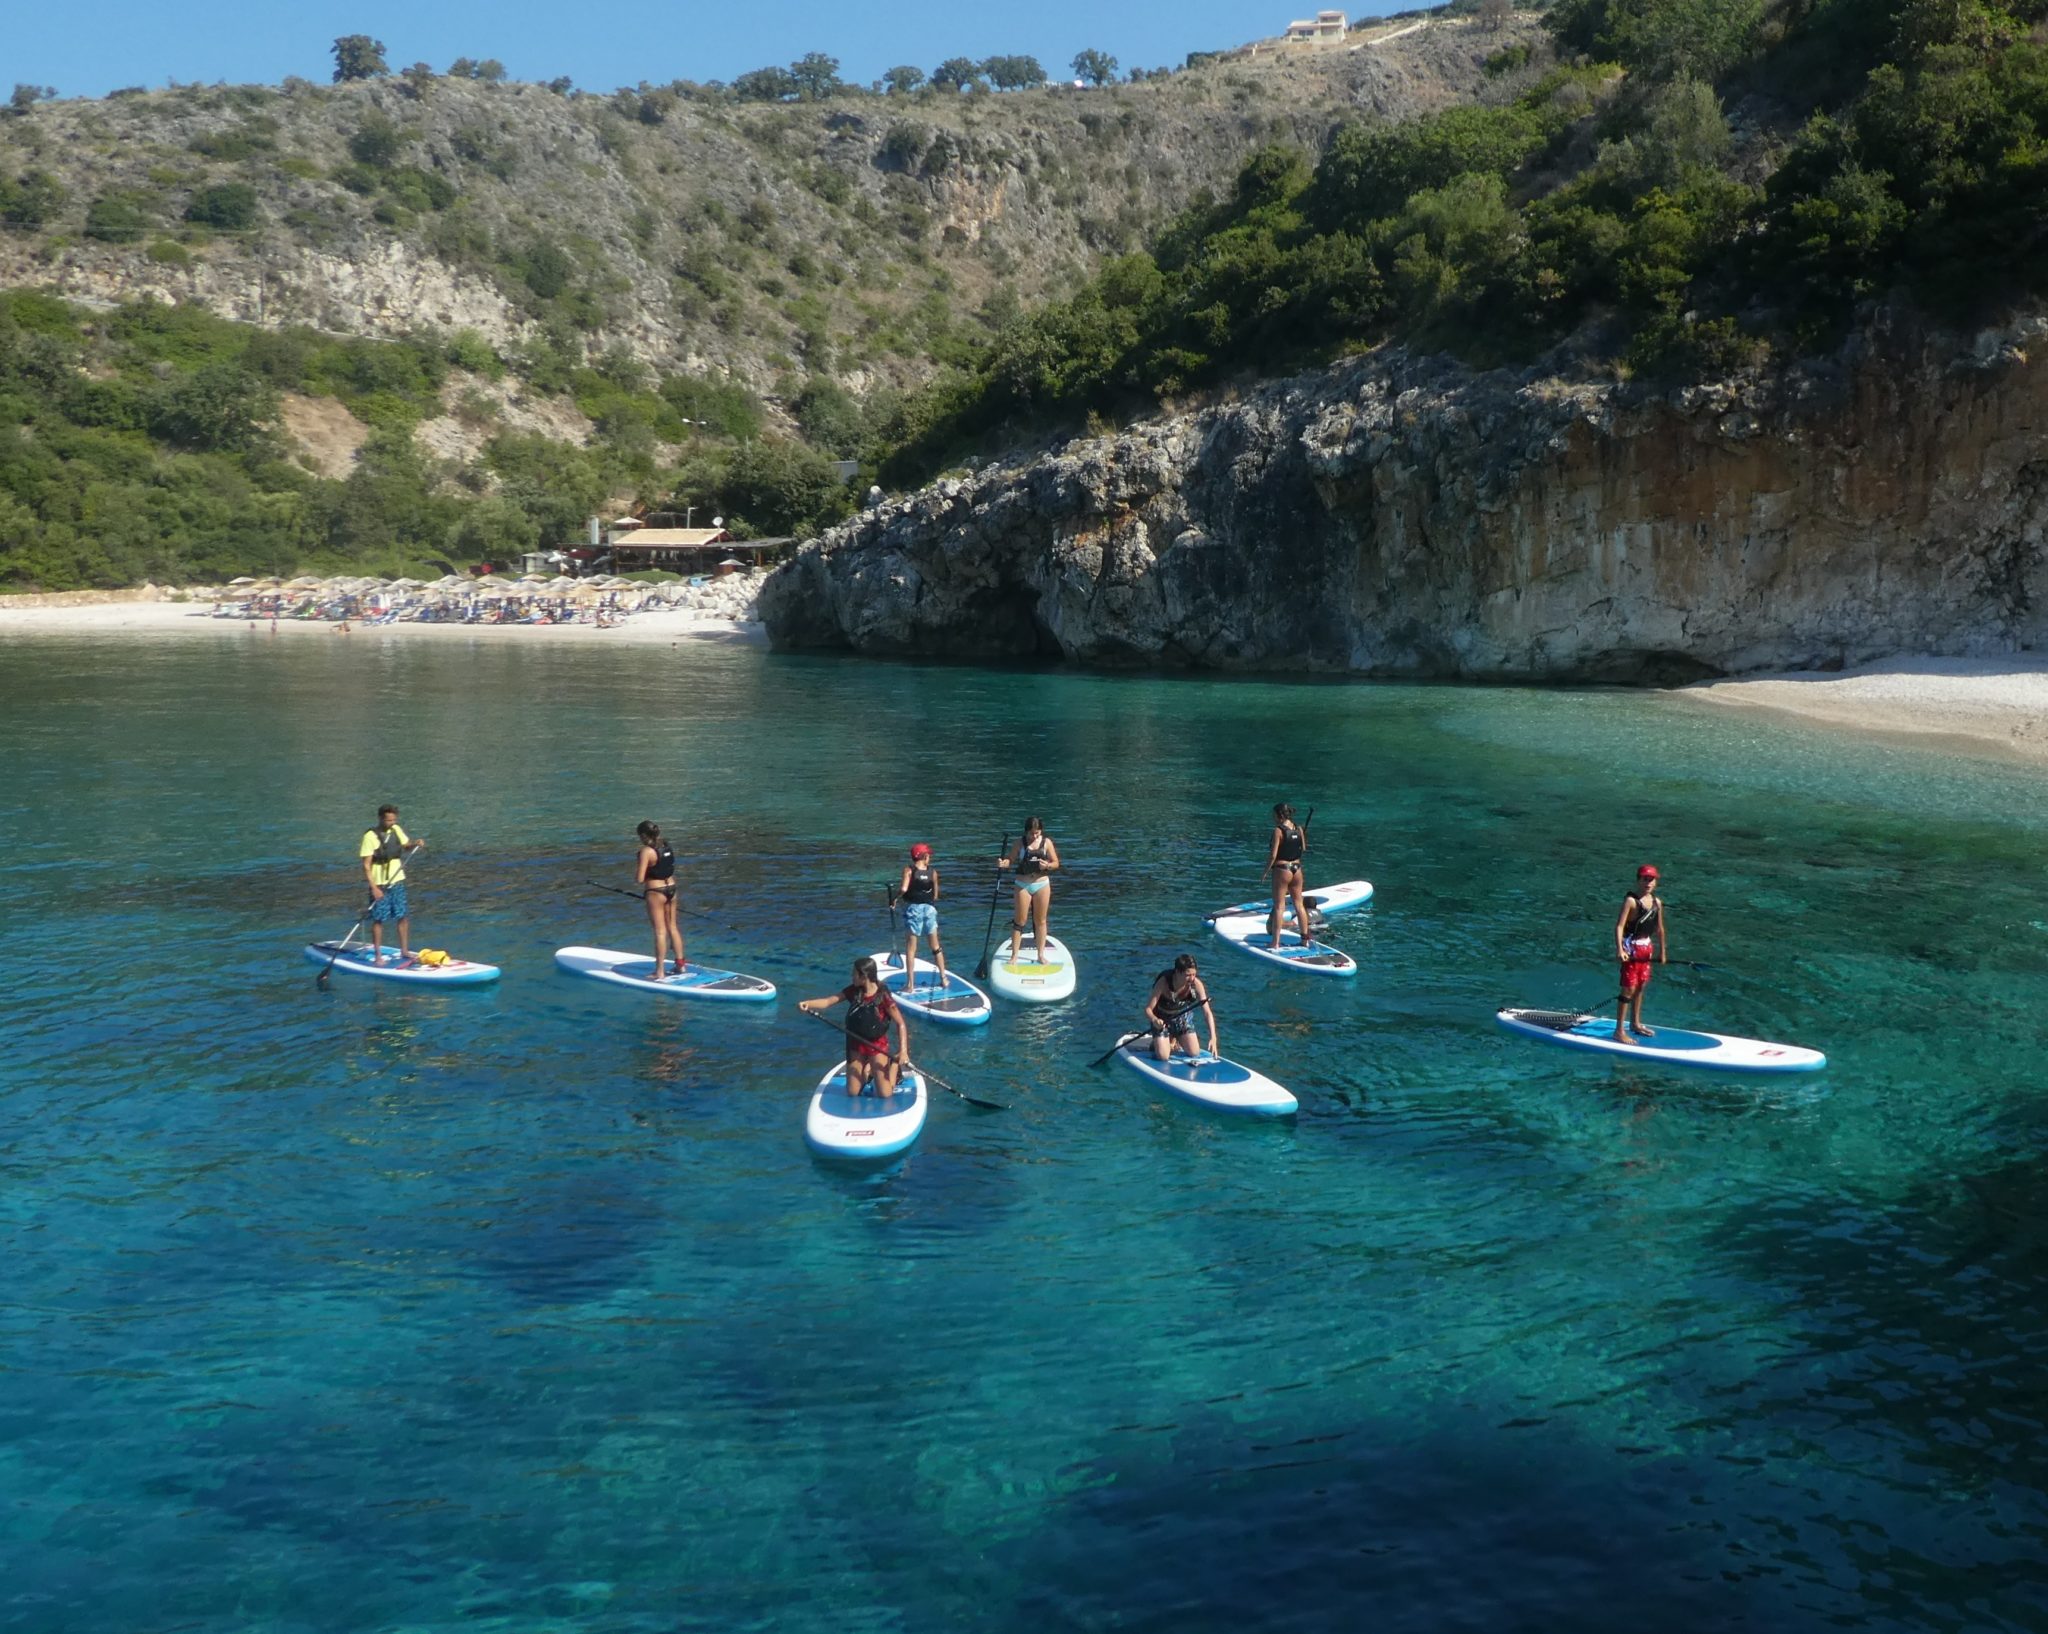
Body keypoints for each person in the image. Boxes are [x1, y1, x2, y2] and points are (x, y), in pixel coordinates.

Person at [800, 956, 910, 1097]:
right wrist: (807, 1003)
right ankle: (868, 1069)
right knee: (852, 1092)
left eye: (854, 974)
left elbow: (900, 1023)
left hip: (877, 1045)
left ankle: (893, 1063)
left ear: (864, 976)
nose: (852, 976)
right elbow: (828, 1001)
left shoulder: (883, 996)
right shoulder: (854, 991)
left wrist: (903, 1051)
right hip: (856, 1044)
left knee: (885, 1094)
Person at [358, 804, 425, 963]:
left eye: (394, 819)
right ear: (381, 818)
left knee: (402, 916)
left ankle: (404, 951)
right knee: (379, 918)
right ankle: (378, 956)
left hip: (397, 879)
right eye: (389, 820)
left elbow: (406, 846)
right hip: (379, 883)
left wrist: (415, 843)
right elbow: (366, 865)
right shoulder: (370, 836)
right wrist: (374, 888)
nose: (392, 823)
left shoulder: (396, 829)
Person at [1614, 863, 1669, 1042]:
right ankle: (1619, 1031)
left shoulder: (1657, 903)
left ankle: (1635, 1023)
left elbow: (1660, 929)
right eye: (1644, 879)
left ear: (1655, 882)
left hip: (1646, 948)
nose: (1648, 883)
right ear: (1638, 880)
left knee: (1641, 986)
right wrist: (1620, 949)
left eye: (1651, 879)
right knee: (1628, 988)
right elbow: (1620, 926)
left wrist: (1662, 952)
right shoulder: (1631, 901)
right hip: (1632, 948)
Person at [996, 816, 1061, 964]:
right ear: (1026, 832)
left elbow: (1056, 862)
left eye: (1037, 833)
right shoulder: (1019, 843)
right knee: (1020, 921)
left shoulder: (1047, 843)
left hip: (1042, 884)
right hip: (1023, 885)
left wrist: (1048, 866)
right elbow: (1010, 861)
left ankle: (1040, 955)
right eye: (1032, 833)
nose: (1035, 836)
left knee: (1041, 921)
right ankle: (1014, 956)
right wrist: (1002, 863)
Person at [1144, 953, 1217, 1062]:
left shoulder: (1196, 984)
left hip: (1181, 1017)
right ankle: (1159, 1041)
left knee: (1194, 1052)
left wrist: (1213, 1037)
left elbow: (1207, 1012)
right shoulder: (1164, 982)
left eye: (1194, 974)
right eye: (1188, 975)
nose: (1192, 978)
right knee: (1163, 1056)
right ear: (1177, 972)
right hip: (1162, 1019)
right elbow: (1148, 1009)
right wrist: (1155, 1020)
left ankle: (1174, 1037)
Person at [635, 820, 684, 980]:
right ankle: (680, 966)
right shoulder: (666, 845)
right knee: (673, 927)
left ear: (643, 835)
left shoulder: (646, 851)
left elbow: (640, 878)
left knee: (660, 931)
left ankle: (660, 972)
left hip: (655, 892)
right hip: (672, 888)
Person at [896, 842, 947, 993]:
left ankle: (910, 985)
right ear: (924, 856)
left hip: (913, 910)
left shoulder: (909, 870)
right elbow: (935, 896)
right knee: (936, 947)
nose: (929, 857)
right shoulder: (933, 873)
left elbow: (904, 889)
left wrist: (894, 898)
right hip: (930, 910)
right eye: (928, 855)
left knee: (911, 949)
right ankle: (943, 979)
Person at [1264, 802, 1311, 951]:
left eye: (1274, 815)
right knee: (1299, 904)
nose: (1273, 818)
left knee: (1279, 906)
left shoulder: (1278, 831)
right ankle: (1305, 940)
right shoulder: (1299, 829)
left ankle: (1275, 942)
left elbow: (1273, 854)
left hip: (1282, 869)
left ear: (1279, 815)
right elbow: (1303, 848)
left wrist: (1265, 871)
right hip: (1297, 869)